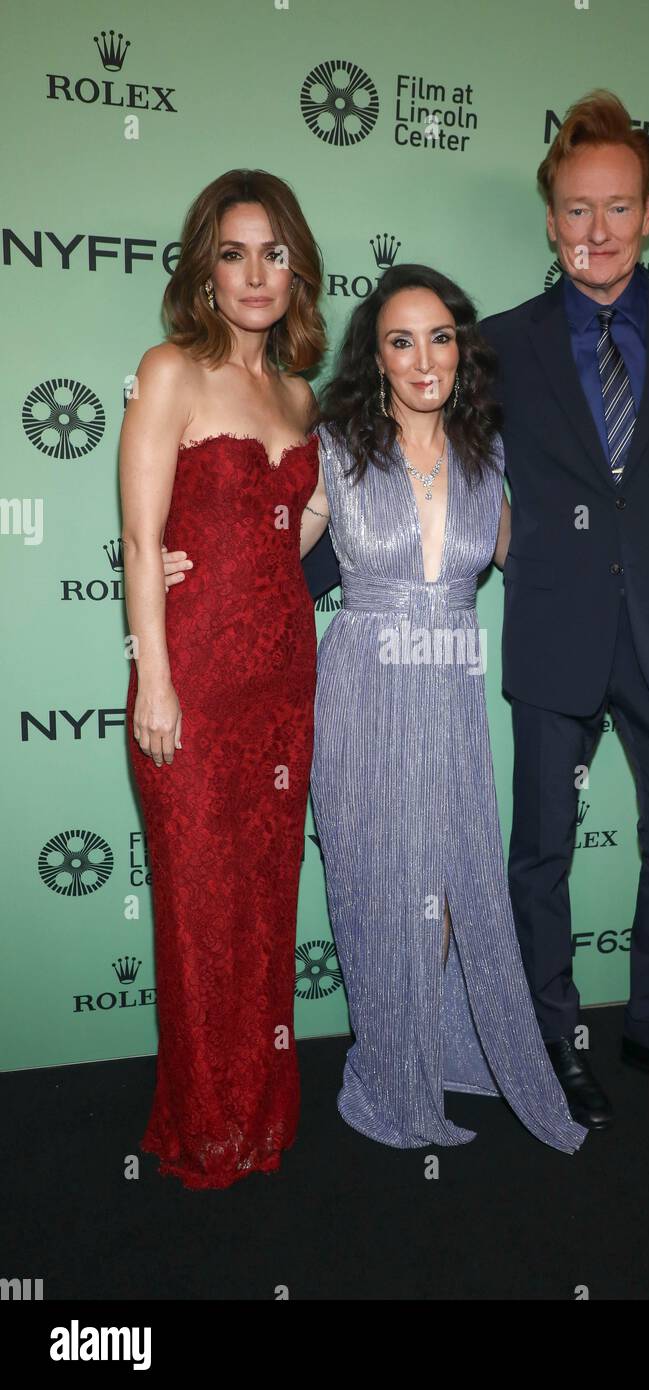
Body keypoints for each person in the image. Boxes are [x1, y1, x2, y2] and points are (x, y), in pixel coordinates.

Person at [166, 264, 589, 1154]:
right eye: (402, 340)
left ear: (463, 352)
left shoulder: (488, 453)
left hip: (452, 692)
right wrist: (186, 563)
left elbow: (538, 566)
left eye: (440, 337)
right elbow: (272, 548)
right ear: (379, 357)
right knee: (375, 887)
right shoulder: (339, 451)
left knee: (443, 888)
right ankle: (388, 1072)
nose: (423, 358)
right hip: (362, 688)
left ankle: (426, 1049)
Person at [479, 90, 649, 1127]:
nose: (595, 231)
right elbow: (435, 477)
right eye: (574, 210)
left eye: (617, 208)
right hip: (553, 631)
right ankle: (553, 1038)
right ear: (549, 219)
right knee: (541, 847)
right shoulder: (499, 341)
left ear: (647, 213)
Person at [121, 169, 326, 1189]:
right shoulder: (171, 371)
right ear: (205, 268)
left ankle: (259, 1118)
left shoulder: (296, 393)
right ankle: (206, 1129)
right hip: (195, 682)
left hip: (287, 682)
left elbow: (302, 524)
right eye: (235, 252)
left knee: (265, 904)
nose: (256, 273)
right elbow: (135, 531)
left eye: (274, 252)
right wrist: (154, 678)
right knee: (200, 914)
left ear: (298, 269)